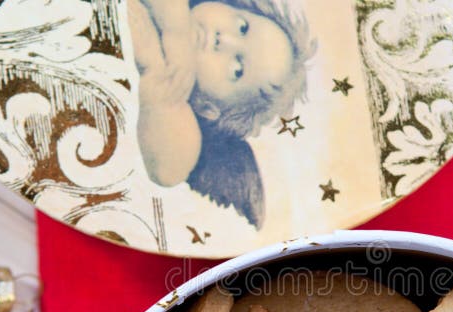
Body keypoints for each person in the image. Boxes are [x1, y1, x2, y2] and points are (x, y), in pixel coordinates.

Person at [128, 0, 314, 195]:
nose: (224, 40)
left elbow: (168, 171)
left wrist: (156, 72)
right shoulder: (177, 10)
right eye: (243, 27)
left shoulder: (176, 106)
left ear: (207, 108)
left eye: (237, 69)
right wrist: (176, 30)